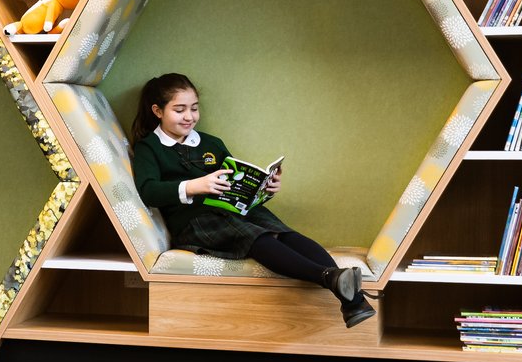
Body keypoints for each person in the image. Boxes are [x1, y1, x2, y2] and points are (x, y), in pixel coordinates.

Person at [129, 72, 375, 327]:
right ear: (158, 111)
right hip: (195, 221)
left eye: (194, 108)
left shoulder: (211, 143)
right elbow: (148, 190)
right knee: (256, 237)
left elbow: (237, 182)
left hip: (232, 209)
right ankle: (334, 281)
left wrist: (263, 189)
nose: (189, 116)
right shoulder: (150, 147)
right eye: (179, 110)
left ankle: (352, 301)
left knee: (282, 231)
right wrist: (194, 186)